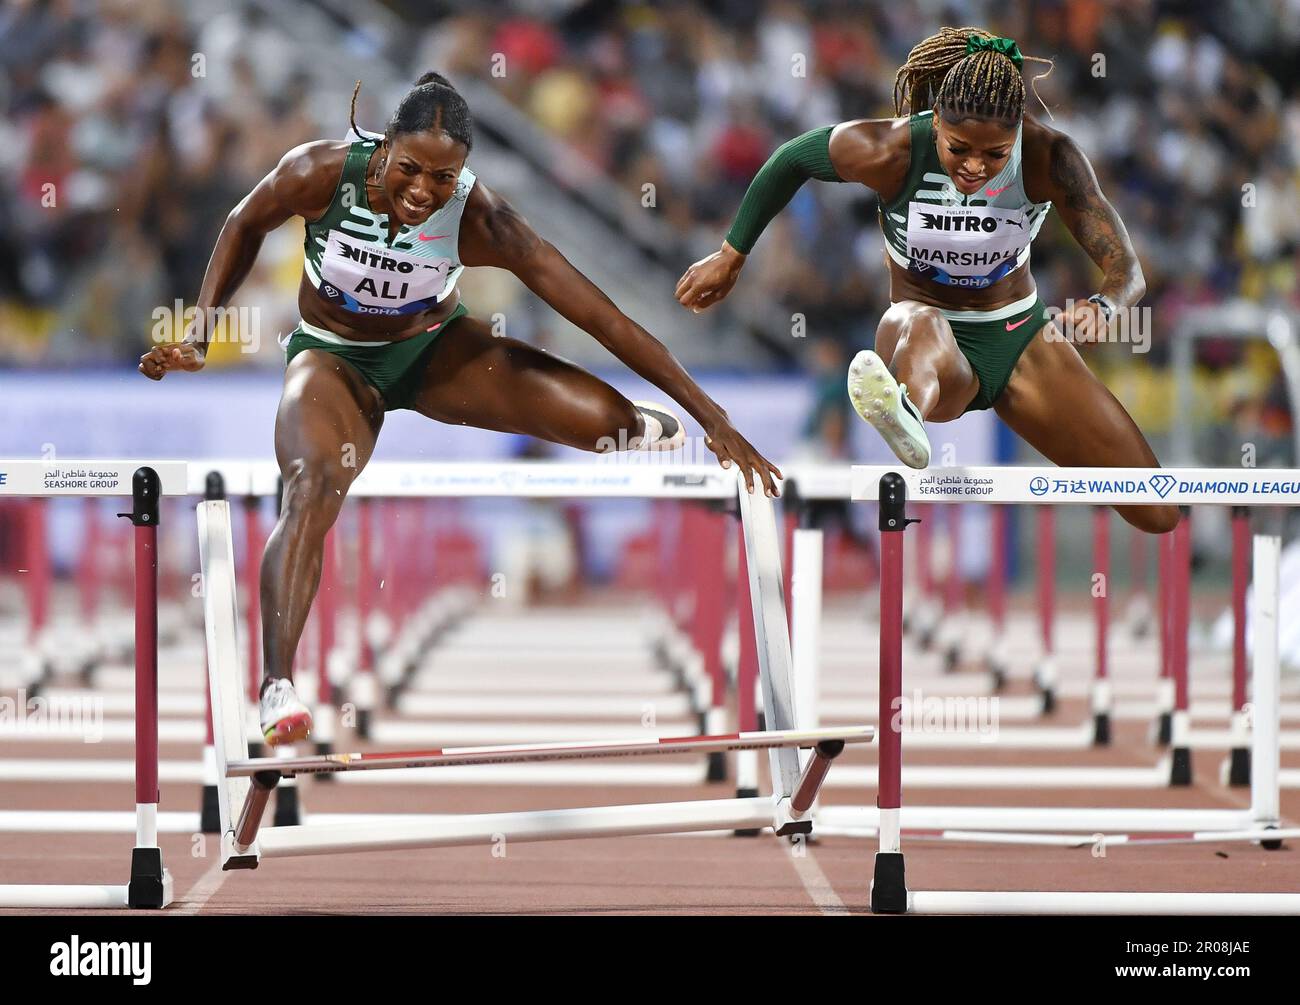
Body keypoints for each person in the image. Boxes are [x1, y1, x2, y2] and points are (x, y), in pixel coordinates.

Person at [140, 72, 781, 745]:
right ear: (384, 147)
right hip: (333, 359)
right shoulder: (321, 173)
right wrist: (200, 331)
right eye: (410, 169)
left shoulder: (484, 219)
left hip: (435, 355)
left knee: (608, 427)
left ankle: (636, 423)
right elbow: (243, 222)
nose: (423, 191)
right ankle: (277, 685)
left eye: (443, 178)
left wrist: (713, 418)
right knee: (311, 487)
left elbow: (604, 319)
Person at [676, 27, 1179, 536]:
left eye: (996, 154)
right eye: (959, 148)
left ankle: (905, 409)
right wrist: (732, 254)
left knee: (1156, 511)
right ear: (935, 120)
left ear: (1017, 136)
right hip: (921, 334)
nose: (975, 167)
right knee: (925, 325)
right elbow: (791, 159)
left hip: (1019, 337)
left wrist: (1104, 306)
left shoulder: (1049, 157)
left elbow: (1127, 268)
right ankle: (904, 410)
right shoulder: (889, 149)